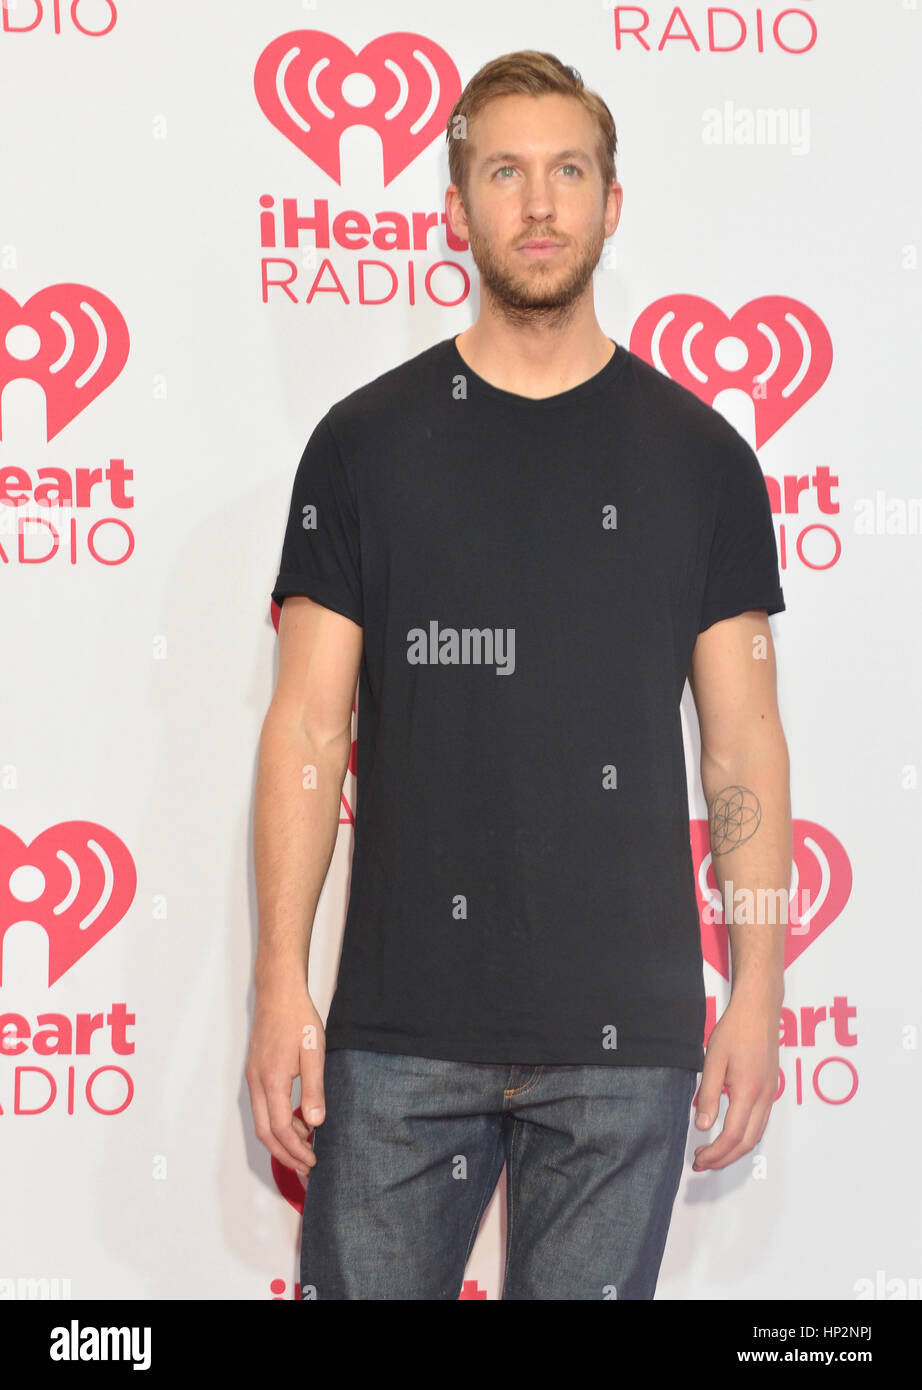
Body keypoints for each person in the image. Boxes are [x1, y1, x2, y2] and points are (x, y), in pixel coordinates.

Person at [247, 49, 792, 1301]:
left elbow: (743, 744)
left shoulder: (701, 460)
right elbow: (306, 731)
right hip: (395, 1036)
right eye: (505, 171)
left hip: (626, 1044)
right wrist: (280, 978)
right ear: (454, 207)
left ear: (612, 201)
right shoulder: (364, 441)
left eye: (567, 171)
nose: (538, 203)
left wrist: (758, 989)